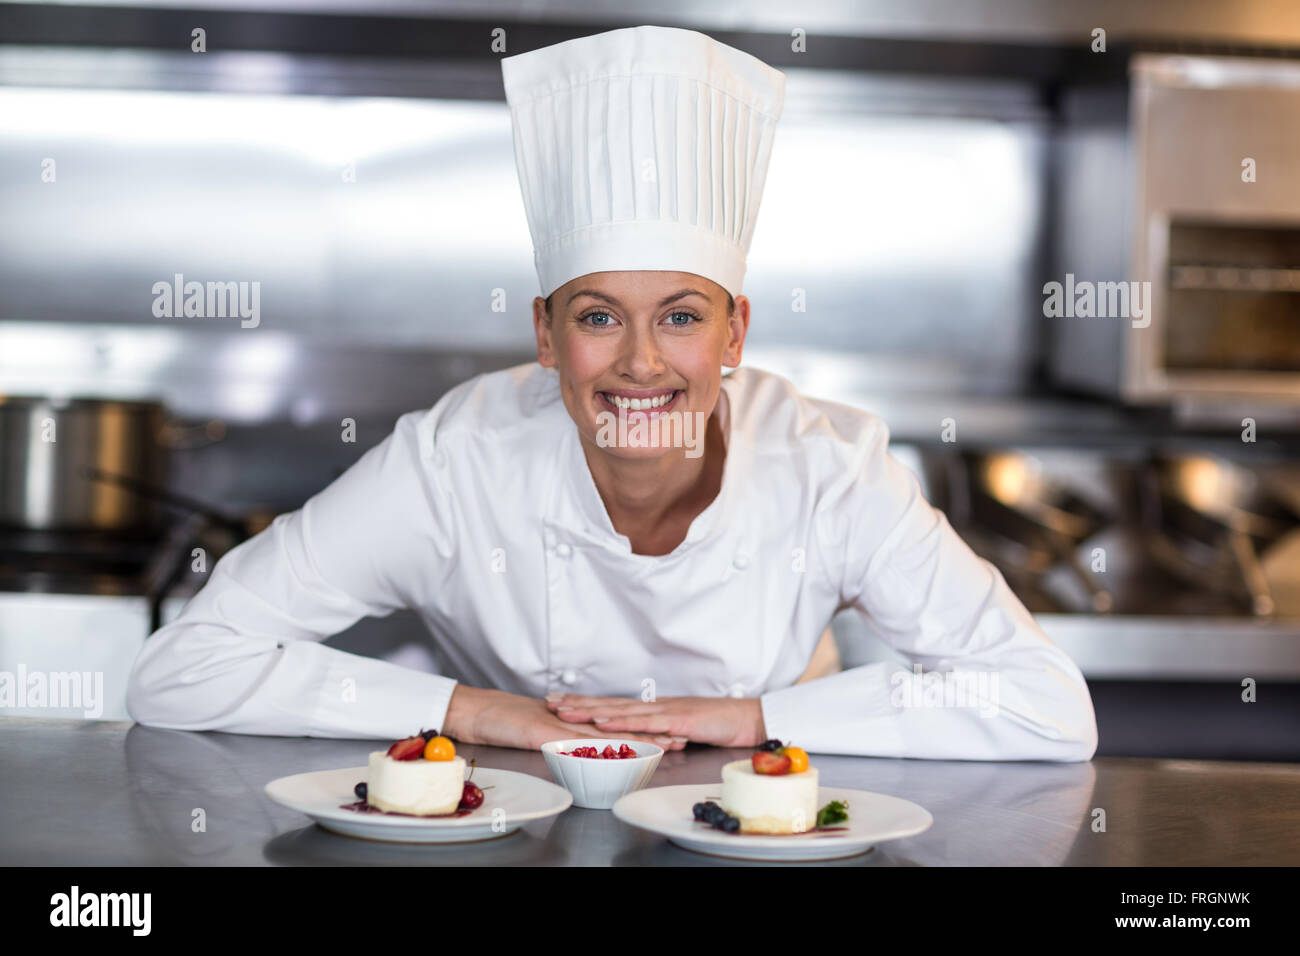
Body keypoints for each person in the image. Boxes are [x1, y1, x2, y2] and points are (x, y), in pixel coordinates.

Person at [126, 25, 1098, 761]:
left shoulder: (828, 468)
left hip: (771, 819)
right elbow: (182, 670)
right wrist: (477, 711)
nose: (640, 361)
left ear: (736, 334)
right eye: (598, 317)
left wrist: (750, 718)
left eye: (680, 316)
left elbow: (1046, 705)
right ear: (544, 335)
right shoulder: (454, 465)